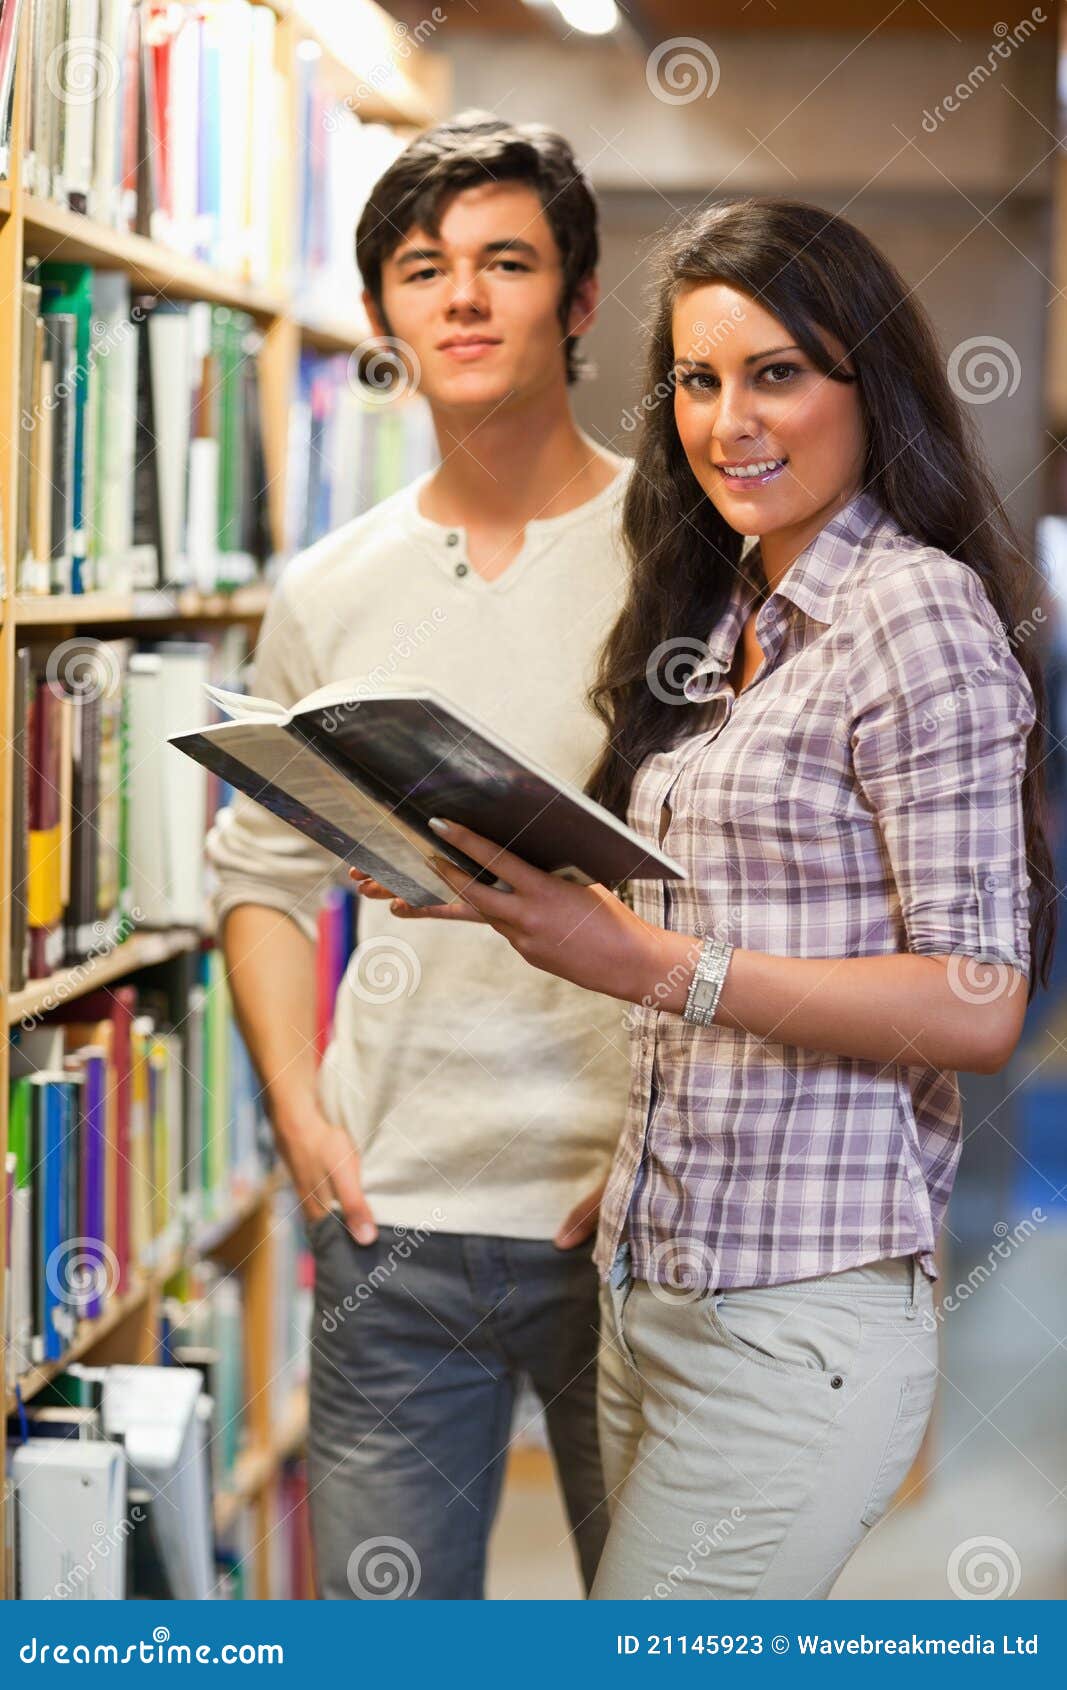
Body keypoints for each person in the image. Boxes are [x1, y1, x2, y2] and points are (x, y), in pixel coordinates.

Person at [350, 196, 1056, 1600]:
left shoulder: (915, 617)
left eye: (777, 373)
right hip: (651, 1287)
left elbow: (979, 1005)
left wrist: (647, 964)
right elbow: (737, 912)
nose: (729, 419)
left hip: (800, 1313)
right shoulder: (731, 613)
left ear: (875, 385)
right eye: (696, 379)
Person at [206, 112, 634, 1599]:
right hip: (395, 1218)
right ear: (382, 312)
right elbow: (260, 873)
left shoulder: (691, 553)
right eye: (421, 267)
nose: (460, 296)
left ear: (576, 300)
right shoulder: (330, 586)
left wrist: (661, 1135)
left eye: (505, 261)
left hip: (634, 1219)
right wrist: (298, 1113)